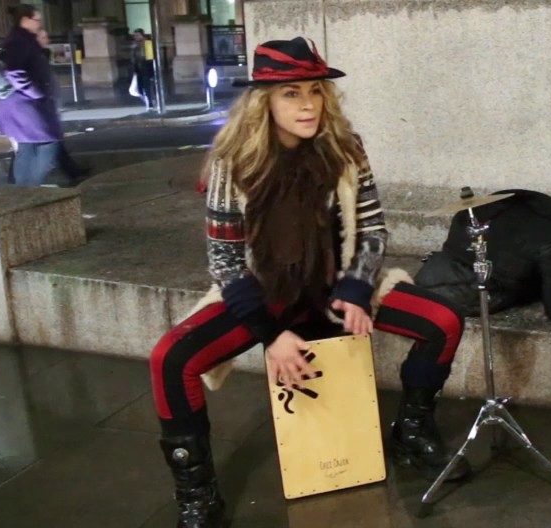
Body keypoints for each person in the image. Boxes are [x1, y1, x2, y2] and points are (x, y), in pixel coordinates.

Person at [149, 37, 469, 527]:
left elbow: (372, 229)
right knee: (171, 360)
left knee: (443, 321)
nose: (307, 105)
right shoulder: (231, 161)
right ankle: (198, 496)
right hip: (264, 295)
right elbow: (225, 260)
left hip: (334, 285)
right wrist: (270, 337)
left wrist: (358, 288)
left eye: (315, 92)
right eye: (291, 93)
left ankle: (411, 429)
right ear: (264, 102)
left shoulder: (346, 148)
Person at [0, 6, 71, 185]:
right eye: (37, 20)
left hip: (20, 105)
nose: (40, 24)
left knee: (27, 147)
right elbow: (14, 71)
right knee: (49, 144)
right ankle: (30, 191)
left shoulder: (22, 39)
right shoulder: (19, 41)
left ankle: (22, 192)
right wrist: (35, 93)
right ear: (25, 20)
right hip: (26, 105)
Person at [130, 28, 157, 109]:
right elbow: (134, 58)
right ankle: (148, 102)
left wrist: (151, 72)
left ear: (142, 35)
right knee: (140, 89)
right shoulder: (135, 46)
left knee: (147, 88)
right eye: (135, 35)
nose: (136, 37)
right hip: (139, 70)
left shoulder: (147, 44)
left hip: (146, 69)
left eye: (138, 35)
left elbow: (150, 59)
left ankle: (150, 102)